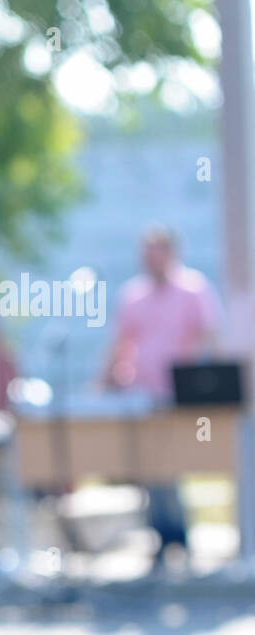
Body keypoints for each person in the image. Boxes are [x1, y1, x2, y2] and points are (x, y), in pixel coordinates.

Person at [101, 226, 221, 568]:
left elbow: (211, 336)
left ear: (171, 253)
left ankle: (179, 536)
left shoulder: (192, 289)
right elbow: (120, 343)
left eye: (157, 253)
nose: (151, 260)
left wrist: (209, 384)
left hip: (178, 395)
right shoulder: (133, 295)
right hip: (141, 394)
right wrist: (103, 382)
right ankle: (160, 537)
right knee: (150, 470)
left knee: (172, 468)